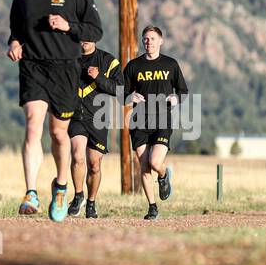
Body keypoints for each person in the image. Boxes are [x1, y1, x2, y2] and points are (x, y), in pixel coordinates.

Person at [7, 0, 103, 221]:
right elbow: (15, 32)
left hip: (65, 69)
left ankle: (61, 186)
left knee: (59, 133)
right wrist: (14, 44)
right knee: (33, 124)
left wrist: (68, 26)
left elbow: (95, 31)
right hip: (33, 66)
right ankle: (31, 193)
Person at [122, 25, 189, 220]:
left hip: (162, 120)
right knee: (143, 167)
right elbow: (121, 94)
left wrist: (176, 99)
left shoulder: (171, 64)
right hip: (139, 121)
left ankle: (163, 174)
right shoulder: (134, 66)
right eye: (145, 39)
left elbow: (183, 91)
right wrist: (130, 97)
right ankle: (152, 208)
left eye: (152, 38)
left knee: (154, 162)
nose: (148, 42)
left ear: (160, 41)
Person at [68, 39, 121, 219]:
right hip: (75, 117)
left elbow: (120, 89)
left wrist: (98, 77)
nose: (84, 40)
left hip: (99, 119)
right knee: (77, 155)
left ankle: (91, 202)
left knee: (94, 165)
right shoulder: (68, 56)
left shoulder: (108, 61)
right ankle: (78, 195)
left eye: (88, 36)